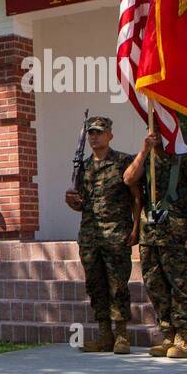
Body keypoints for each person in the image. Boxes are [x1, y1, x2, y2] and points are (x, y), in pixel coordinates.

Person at [123, 133, 187, 358]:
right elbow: (129, 179)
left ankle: (182, 336)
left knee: (180, 285)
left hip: (177, 233)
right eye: (151, 128)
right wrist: (144, 150)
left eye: (160, 128)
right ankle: (167, 333)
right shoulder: (146, 159)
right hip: (150, 234)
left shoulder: (186, 159)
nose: (154, 133)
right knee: (154, 285)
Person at [65, 116, 140, 354]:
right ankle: (104, 335)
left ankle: (121, 336)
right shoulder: (83, 167)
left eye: (99, 132)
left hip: (116, 233)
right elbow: (81, 203)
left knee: (118, 285)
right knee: (96, 285)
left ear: (110, 135)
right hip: (90, 235)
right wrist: (71, 201)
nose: (94, 137)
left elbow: (137, 198)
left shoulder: (123, 162)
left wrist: (136, 227)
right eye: (91, 133)